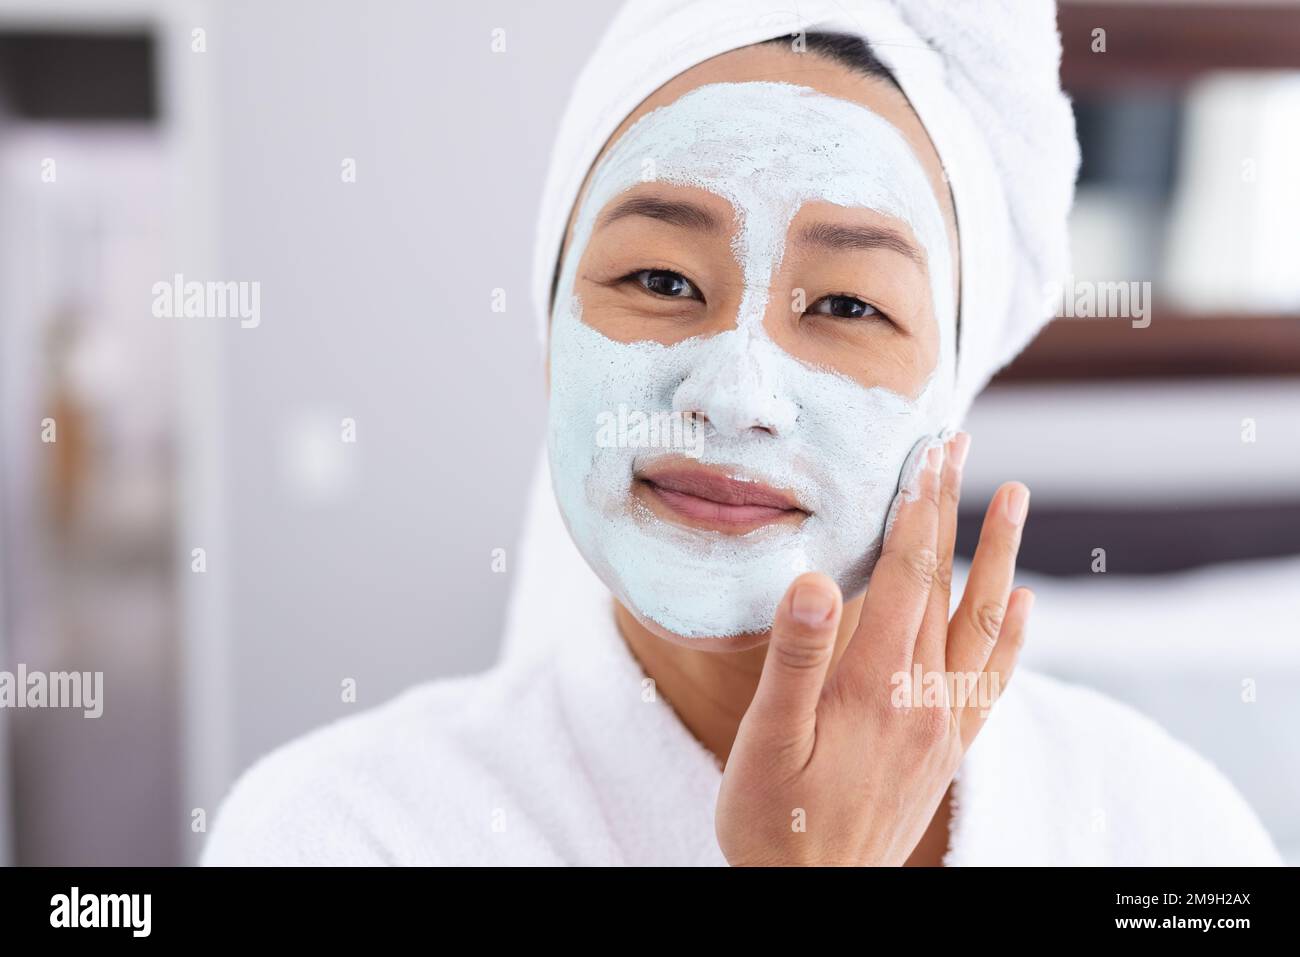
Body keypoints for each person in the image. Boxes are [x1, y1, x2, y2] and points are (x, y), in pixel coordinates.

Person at [202, 0, 1281, 866]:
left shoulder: (1157, 828)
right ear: (548, 341)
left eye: (850, 305)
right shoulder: (339, 832)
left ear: (944, 407)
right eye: (661, 279)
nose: (734, 393)